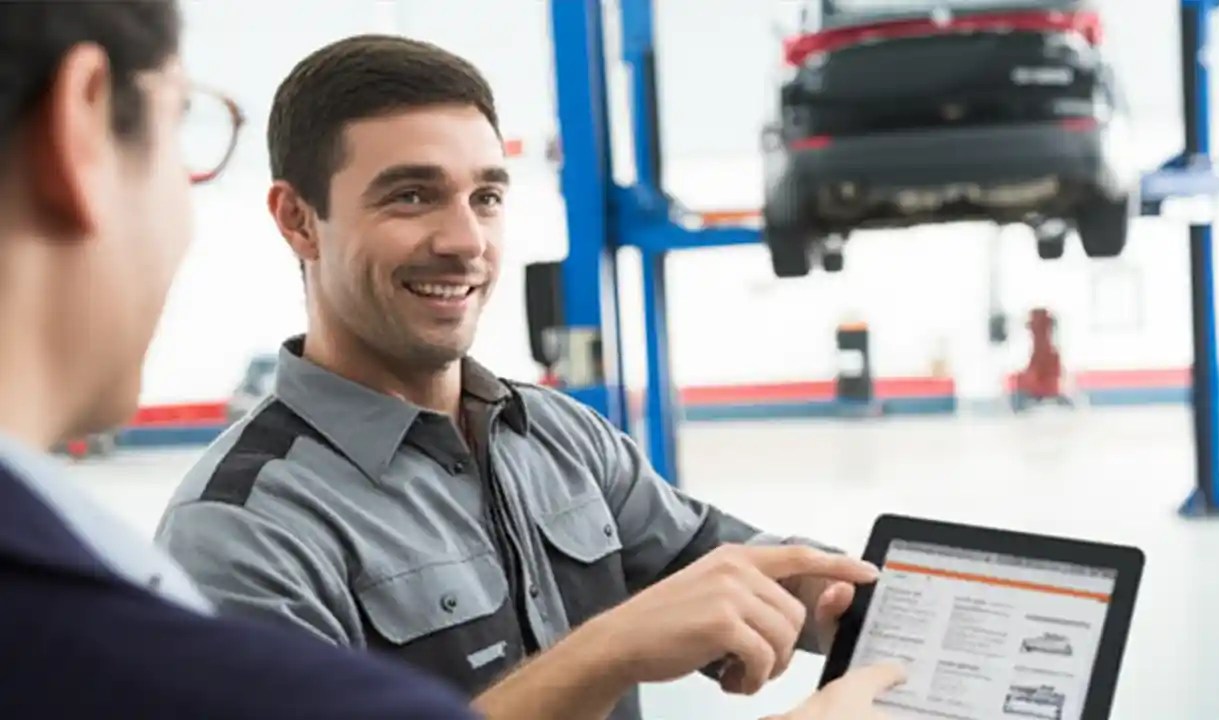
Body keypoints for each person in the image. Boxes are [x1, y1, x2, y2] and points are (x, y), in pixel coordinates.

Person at [0, 2, 905, 718]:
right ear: (296, 218)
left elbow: (725, 559)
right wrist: (607, 650)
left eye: (487, 195)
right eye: (412, 196)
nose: (464, 240)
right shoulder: (243, 530)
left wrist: (856, 600)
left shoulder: (561, 437)